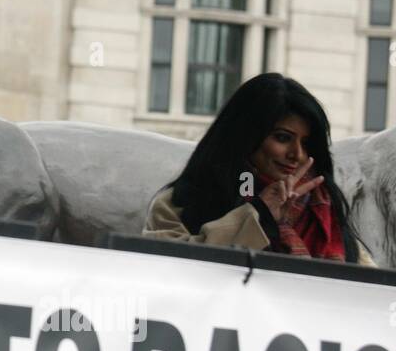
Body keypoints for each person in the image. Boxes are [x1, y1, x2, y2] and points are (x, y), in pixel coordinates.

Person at [144, 73, 375, 265]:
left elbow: (371, 298)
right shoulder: (178, 205)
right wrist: (259, 215)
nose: (297, 154)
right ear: (246, 137)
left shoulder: (328, 219)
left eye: (306, 143)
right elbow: (170, 269)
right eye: (283, 138)